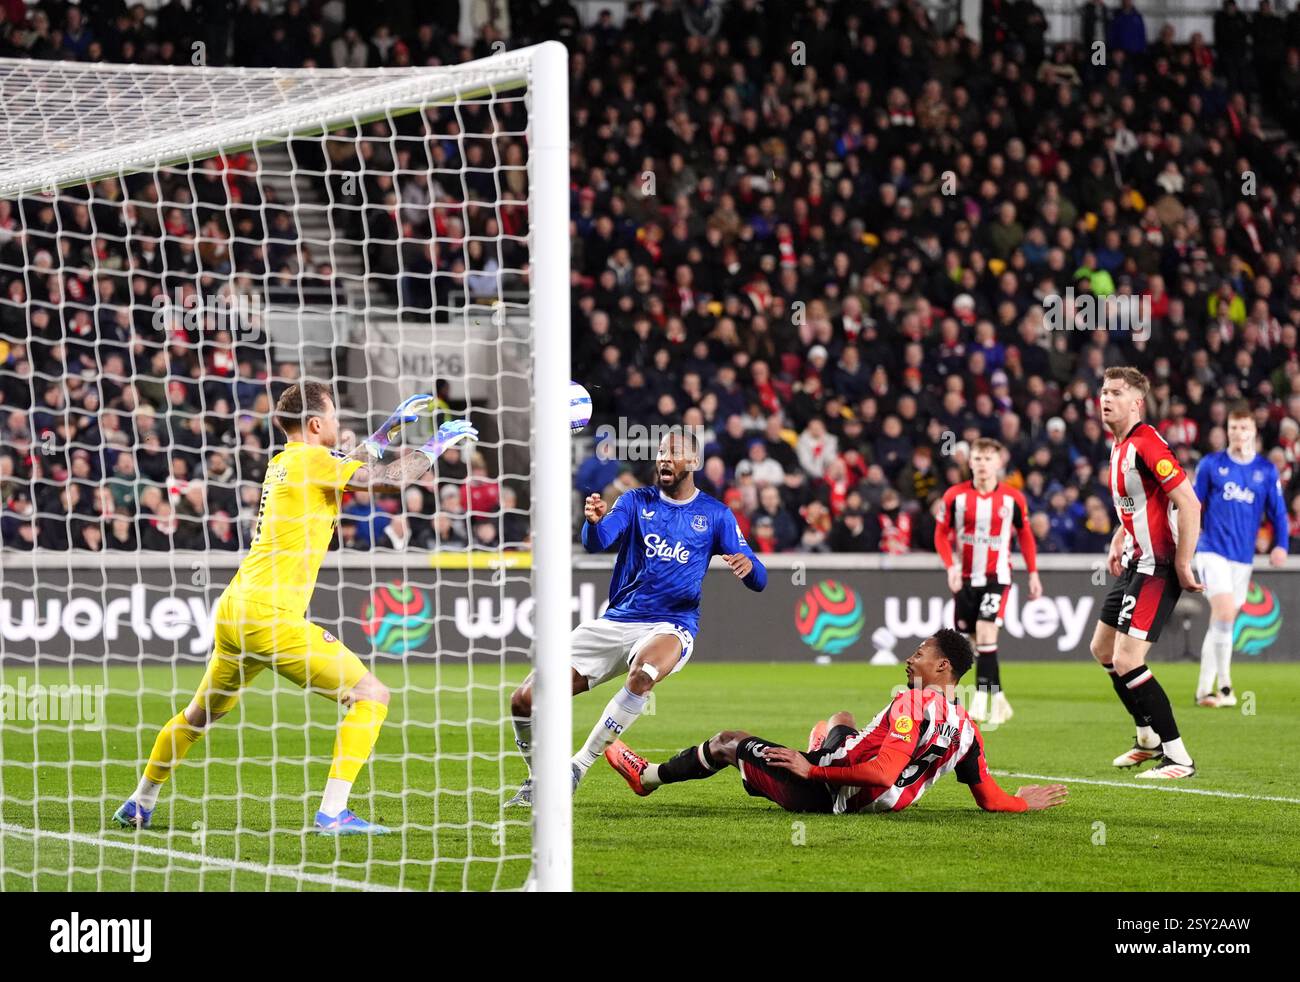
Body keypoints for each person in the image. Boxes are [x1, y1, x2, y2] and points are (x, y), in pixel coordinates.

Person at [113, 383, 477, 833]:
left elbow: (350, 464)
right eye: (335, 417)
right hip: (270, 616)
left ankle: (140, 801)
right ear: (315, 424)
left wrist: (385, 433)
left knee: (197, 716)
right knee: (372, 696)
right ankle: (333, 812)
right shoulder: (311, 460)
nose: (340, 425)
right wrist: (436, 445)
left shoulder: (286, 462)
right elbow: (390, 479)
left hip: (235, 610)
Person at [505, 428, 767, 806]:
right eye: (660, 452)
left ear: (693, 462)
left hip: (671, 626)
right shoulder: (635, 501)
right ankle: (537, 780)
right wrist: (593, 523)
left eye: (673, 453)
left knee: (643, 675)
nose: (663, 458)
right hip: (615, 622)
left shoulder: (715, 515)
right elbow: (599, 542)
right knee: (525, 700)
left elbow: (759, 581)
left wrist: (749, 564)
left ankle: (576, 767)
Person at [606, 628, 1068, 816]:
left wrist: (814, 770)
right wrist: (1023, 802)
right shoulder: (966, 728)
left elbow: (883, 772)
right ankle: (824, 742)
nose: (911, 658)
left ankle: (647, 777)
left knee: (730, 741)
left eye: (921, 653)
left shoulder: (911, 705)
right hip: (863, 787)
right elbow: (988, 798)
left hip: (831, 791)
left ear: (943, 668)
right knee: (842, 720)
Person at [1091, 367, 1203, 779]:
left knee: (1127, 659)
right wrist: (1119, 535)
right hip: (1135, 561)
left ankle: (1178, 757)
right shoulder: (1118, 447)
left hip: (1157, 566)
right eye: (1104, 391)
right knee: (1103, 651)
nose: (1106, 399)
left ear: (1137, 402)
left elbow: (1189, 504)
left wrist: (1183, 562)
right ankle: (1147, 738)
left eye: (1116, 393)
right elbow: (1139, 503)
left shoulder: (1147, 444)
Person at [934, 437, 1041, 724]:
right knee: (974, 641)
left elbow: (1026, 536)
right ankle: (1000, 697)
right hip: (966, 579)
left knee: (985, 631)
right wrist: (950, 567)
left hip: (997, 576)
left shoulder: (1013, 498)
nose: (982, 464)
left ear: (999, 462)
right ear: (970, 462)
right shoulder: (954, 497)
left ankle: (980, 701)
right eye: (977, 458)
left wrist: (1033, 573)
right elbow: (940, 534)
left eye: (988, 458)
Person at [1191, 402, 1288, 707]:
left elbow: (1279, 513)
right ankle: (1226, 688)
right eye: (1233, 428)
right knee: (1223, 613)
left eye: (1243, 428)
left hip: (1242, 558)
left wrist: (1281, 544)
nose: (1237, 433)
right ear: (1227, 431)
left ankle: (1204, 690)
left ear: (1253, 432)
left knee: (1223, 622)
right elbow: (1194, 505)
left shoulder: (1264, 470)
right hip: (1211, 551)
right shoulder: (1211, 465)